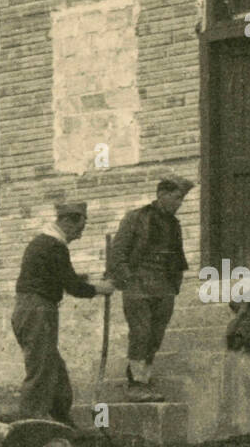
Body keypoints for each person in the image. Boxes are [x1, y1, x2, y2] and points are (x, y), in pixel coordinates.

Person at [12, 201, 113, 423]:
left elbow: (57, 276)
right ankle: (31, 424)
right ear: (67, 221)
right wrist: (100, 289)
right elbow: (73, 287)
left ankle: (61, 423)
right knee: (41, 370)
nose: (80, 235)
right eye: (79, 229)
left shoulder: (45, 243)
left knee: (55, 371)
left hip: (33, 308)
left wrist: (84, 280)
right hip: (37, 310)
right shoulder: (53, 245)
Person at [108, 175, 193, 402]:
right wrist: (128, 280)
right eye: (176, 198)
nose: (179, 204)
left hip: (164, 286)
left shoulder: (174, 225)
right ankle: (135, 384)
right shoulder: (136, 218)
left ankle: (143, 379)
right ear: (161, 195)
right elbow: (117, 254)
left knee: (155, 336)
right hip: (139, 285)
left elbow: (177, 258)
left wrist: (175, 286)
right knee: (141, 333)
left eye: (181, 200)